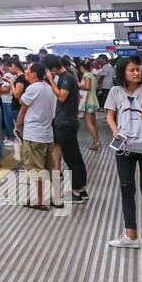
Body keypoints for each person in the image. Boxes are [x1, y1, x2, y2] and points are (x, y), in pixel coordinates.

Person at [105, 56, 142, 248]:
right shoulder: (115, 91)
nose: (137, 73)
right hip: (124, 147)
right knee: (126, 189)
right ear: (123, 73)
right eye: (132, 70)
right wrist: (115, 130)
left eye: (138, 69)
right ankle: (131, 234)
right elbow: (110, 115)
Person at [43, 55, 88, 203]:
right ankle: (81, 189)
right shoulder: (68, 77)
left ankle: (76, 192)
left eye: (50, 70)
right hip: (69, 121)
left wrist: (50, 81)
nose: (50, 73)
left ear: (53, 67)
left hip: (65, 123)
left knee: (70, 158)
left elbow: (62, 97)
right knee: (75, 156)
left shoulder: (66, 78)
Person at [15, 62, 56, 209]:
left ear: (34, 74)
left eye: (27, 69)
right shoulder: (49, 88)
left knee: (36, 169)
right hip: (47, 134)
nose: (25, 71)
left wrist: (17, 126)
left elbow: (22, 106)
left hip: (34, 135)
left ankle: (39, 200)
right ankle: (54, 197)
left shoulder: (33, 88)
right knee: (49, 168)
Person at [0, 57, 21, 150]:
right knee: (14, 120)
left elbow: (6, 89)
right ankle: (15, 138)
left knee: (9, 121)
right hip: (11, 100)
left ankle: (12, 138)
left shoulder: (8, 75)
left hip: (7, 100)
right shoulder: (15, 75)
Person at [81, 57, 101, 149]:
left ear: (82, 67)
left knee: (88, 122)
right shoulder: (92, 75)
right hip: (94, 100)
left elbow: (87, 87)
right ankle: (97, 140)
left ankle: (95, 143)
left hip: (88, 101)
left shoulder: (86, 75)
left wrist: (78, 85)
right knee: (94, 122)